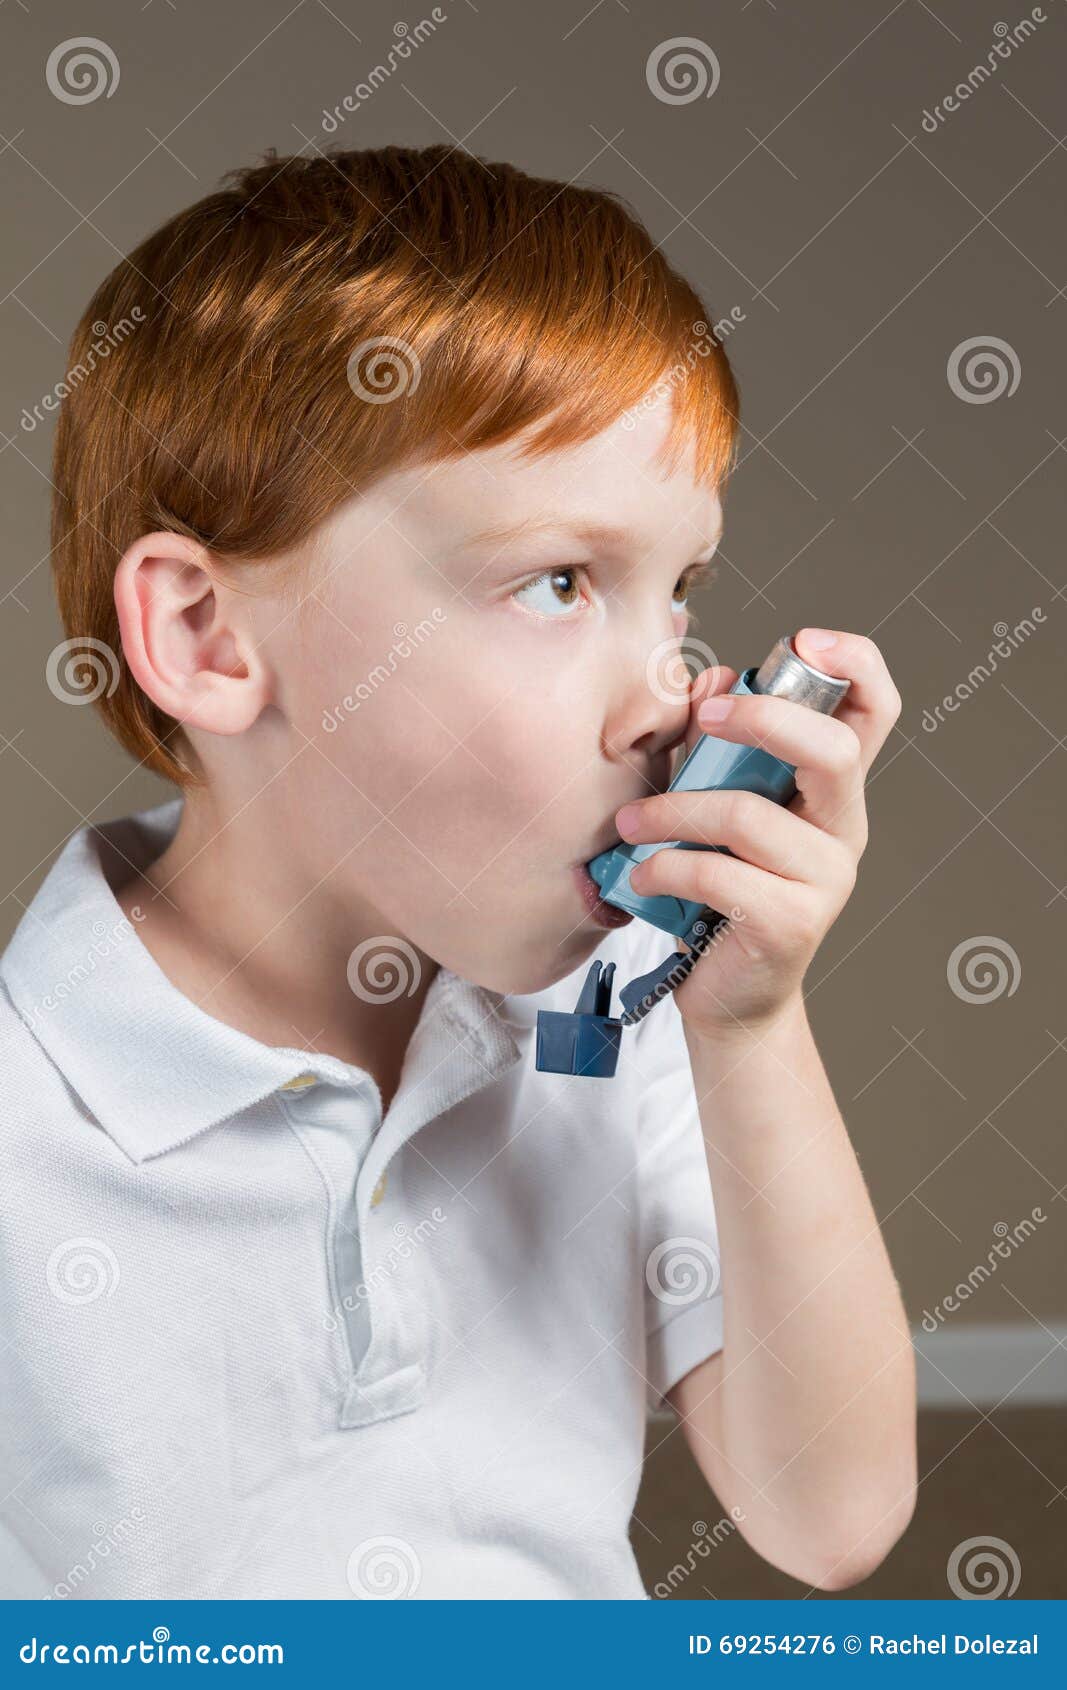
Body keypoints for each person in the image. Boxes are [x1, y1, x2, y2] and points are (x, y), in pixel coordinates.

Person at [0, 144, 914, 1600]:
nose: (666, 694)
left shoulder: (623, 1007)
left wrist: (750, 1025)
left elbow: (833, 1514)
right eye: (558, 581)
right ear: (206, 637)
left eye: (680, 589)